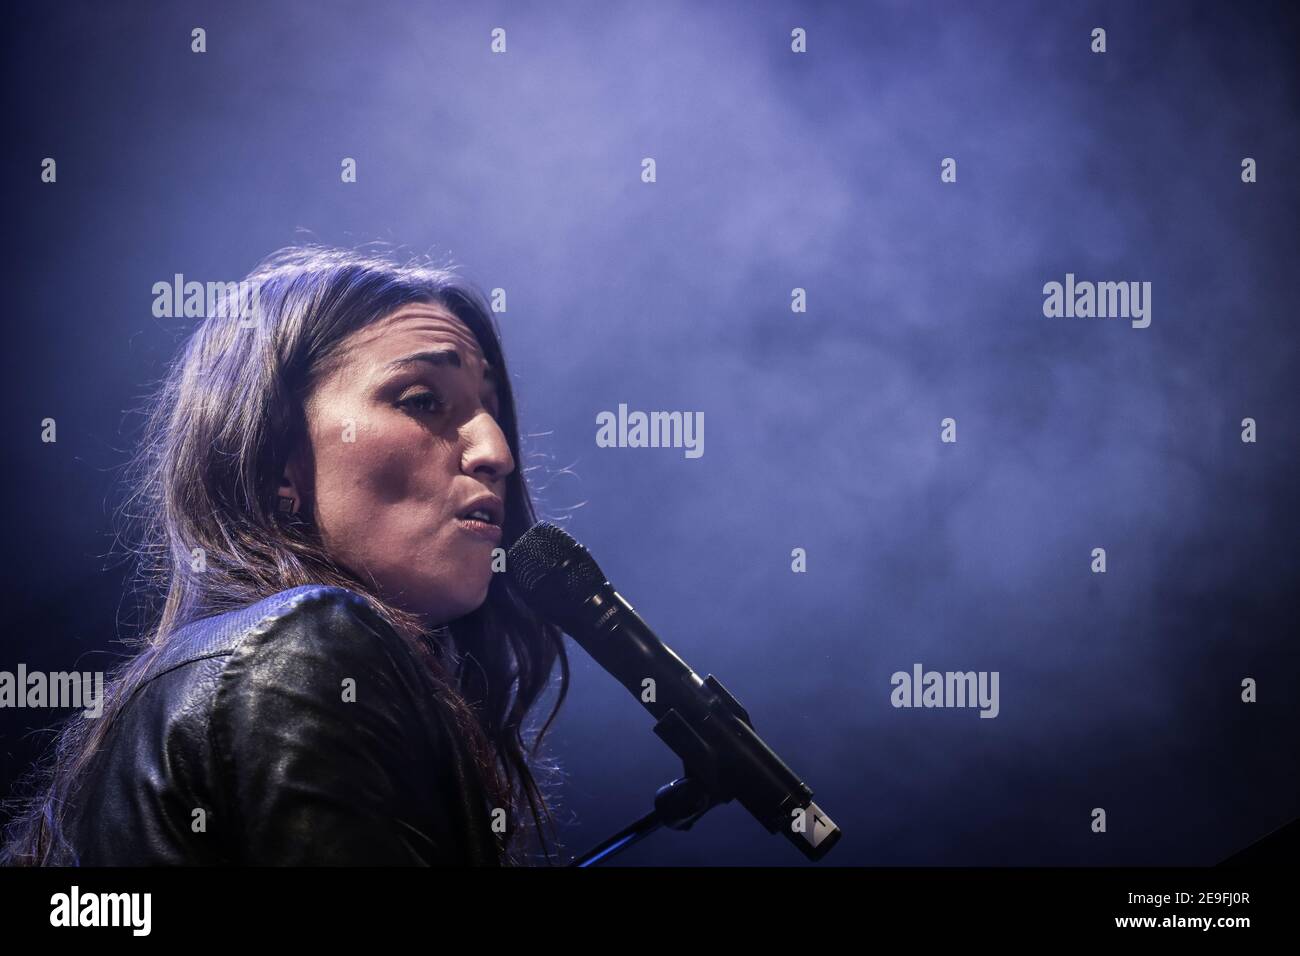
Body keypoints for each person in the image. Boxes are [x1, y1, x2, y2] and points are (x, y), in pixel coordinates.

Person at [0, 246, 569, 865]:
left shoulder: (228, 670)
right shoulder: (306, 645)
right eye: (422, 400)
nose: (497, 451)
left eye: (491, 410)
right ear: (276, 457)